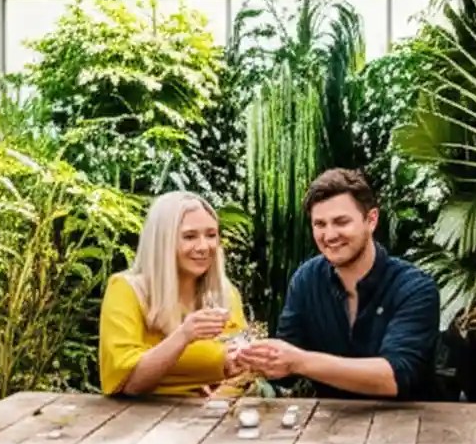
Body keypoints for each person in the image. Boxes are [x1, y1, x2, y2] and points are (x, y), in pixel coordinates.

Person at [243, 169, 440, 400]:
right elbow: (285, 372)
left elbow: (396, 377)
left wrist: (299, 361)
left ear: (371, 220)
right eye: (320, 224)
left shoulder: (415, 288)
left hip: (412, 427)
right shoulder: (306, 279)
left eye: (341, 222)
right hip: (332, 425)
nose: (329, 235)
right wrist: (245, 358)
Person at [99, 191, 251, 397]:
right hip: (139, 419)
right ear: (162, 241)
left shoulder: (225, 293)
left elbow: (244, 371)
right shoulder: (126, 290)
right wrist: (184, 335)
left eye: (211, 235)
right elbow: (130, 384)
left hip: (211, 418)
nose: (204, 247)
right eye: (189, 236)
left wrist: (220, 396)